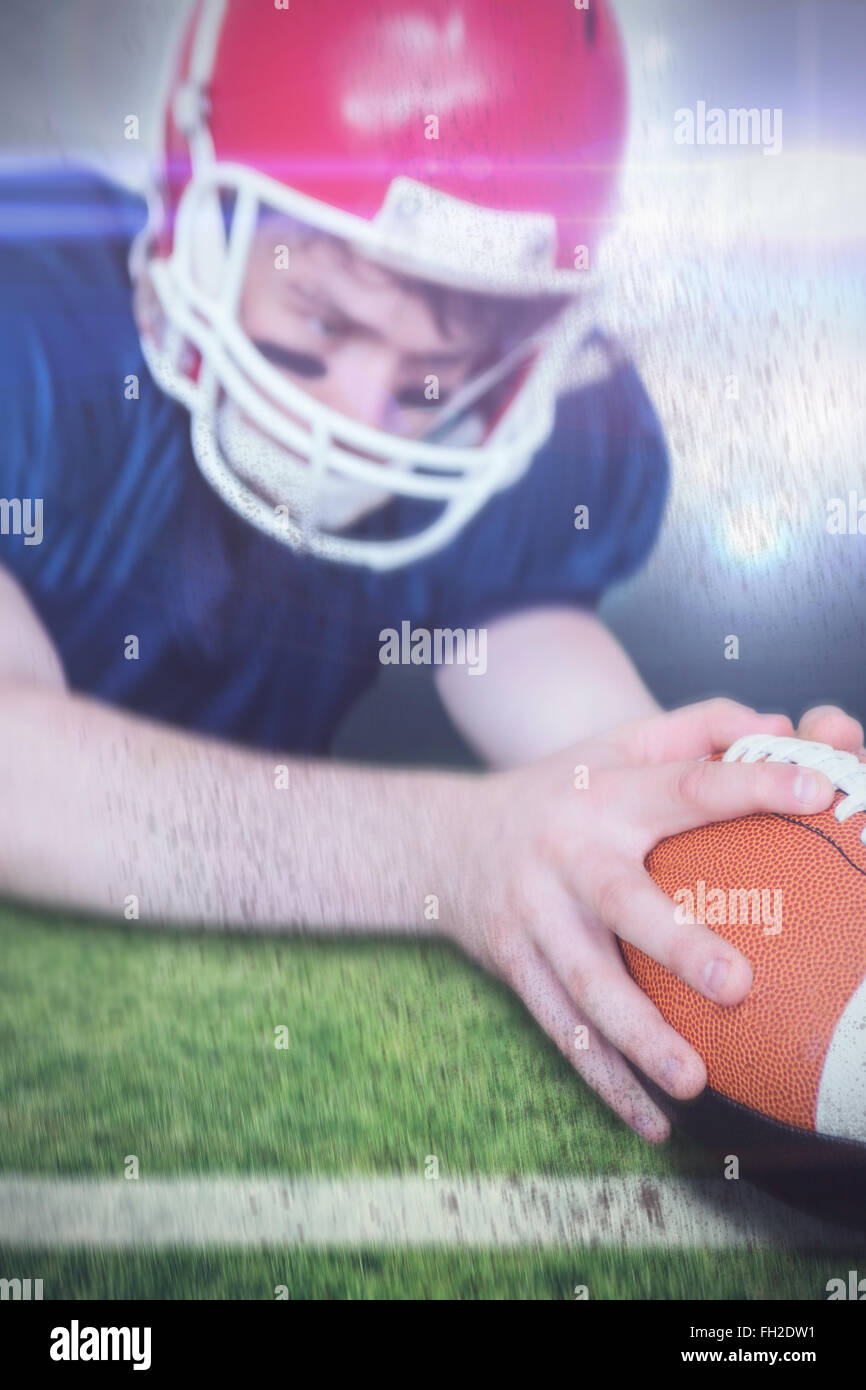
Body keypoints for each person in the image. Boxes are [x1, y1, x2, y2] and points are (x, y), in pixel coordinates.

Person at [0, 0, 859, 1144]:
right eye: (315, 320)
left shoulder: (530, 446)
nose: (358, 420)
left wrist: (736, 803)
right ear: (196, 199)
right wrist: (444, 848)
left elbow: (582, 739)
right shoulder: (33, 315)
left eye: (430, 379)